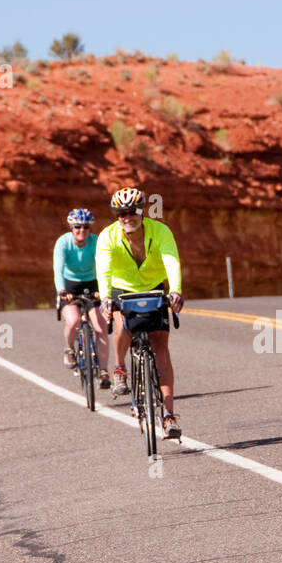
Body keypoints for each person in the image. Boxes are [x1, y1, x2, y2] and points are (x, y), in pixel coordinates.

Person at [95, 187, 184, 438]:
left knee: (160, 347)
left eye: (132, 211)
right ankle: (120, 368)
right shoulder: (107, 237)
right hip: (121, 289)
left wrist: (175, 290)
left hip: (154, 288)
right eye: (121, 213)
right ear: (116, 215)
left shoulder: (160, 231)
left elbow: (171, 261)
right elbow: (103, 270)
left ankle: (168, 416)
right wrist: (104, 299)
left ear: (141, 211)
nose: (127, 217)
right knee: (122, 323)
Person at [53, 208, 110, 387]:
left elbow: (103, 266)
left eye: (86, 227)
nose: (82, 231)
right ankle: (69, 349)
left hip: (93, 284)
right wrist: (62, 291)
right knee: (73, 320)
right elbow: (58, 269)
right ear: (71, 227)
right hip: (70, 285)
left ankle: (103, 371)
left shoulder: (96, 242)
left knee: (100, 326)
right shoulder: (63, 243)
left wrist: (104, 290)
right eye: (77, 227)